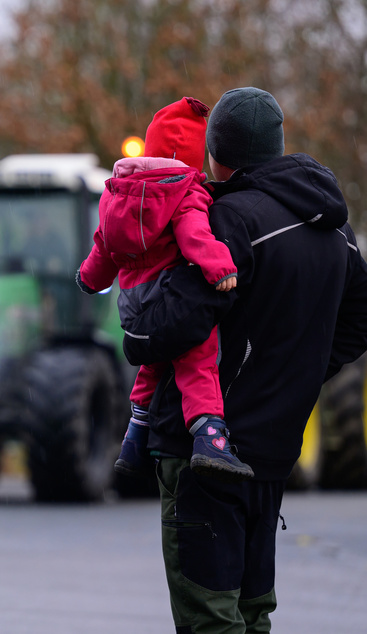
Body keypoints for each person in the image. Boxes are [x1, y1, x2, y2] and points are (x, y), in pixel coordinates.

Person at [121, 87, 367, 632]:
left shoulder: (229, 220)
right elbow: (358, 323)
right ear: (277, 146)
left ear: (216, 152)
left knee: (211, 618)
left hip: (206, 452)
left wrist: (134, 337)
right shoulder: (337, 230)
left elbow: (174, 322)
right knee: (254, 613)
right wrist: (295, 377)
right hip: (274, 453)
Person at [77, 97, 252, 483]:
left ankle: (134, 439)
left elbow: (102, 247)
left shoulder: (116, 192)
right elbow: (194, 236)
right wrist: (221, 269)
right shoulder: (184, 191)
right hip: (169, 296)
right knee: (197, 362)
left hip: (133, 303)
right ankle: (210, 440)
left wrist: (89, 279)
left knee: (152, 365)